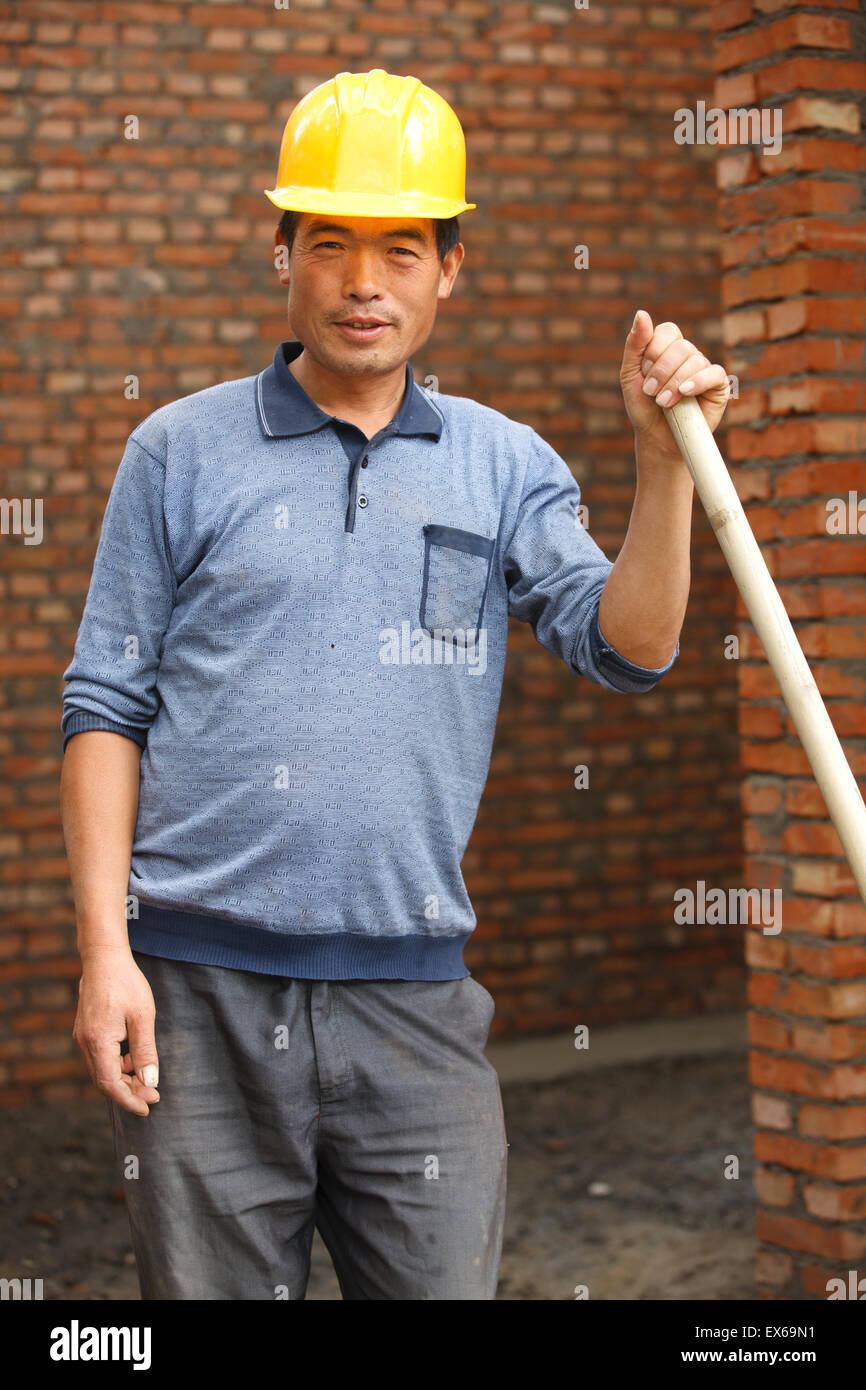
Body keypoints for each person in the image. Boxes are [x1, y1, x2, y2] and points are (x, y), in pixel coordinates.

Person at [59, 69, 730, 1300]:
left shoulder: (502, 463)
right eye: (331, 244)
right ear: (282, 255)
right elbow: (106, 709)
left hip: (411, 1002)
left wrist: (659, 464)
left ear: (447, 271)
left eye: (401, 249)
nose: (364, 281)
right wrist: (107, 950)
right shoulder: (176, 451)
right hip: (196, 996)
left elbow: (628, 650)